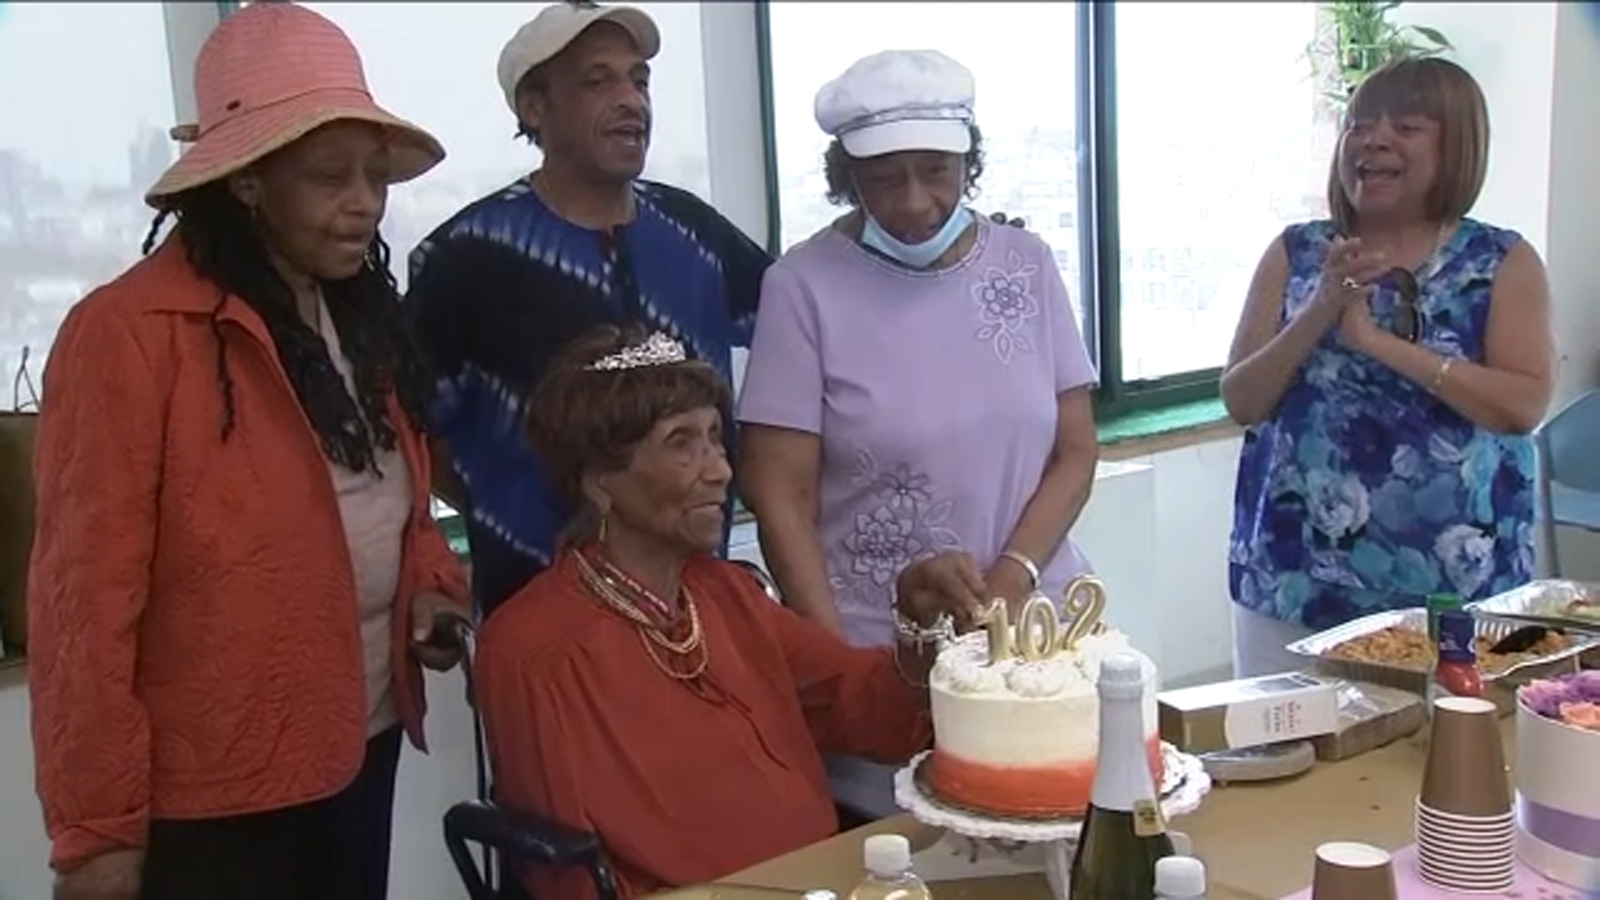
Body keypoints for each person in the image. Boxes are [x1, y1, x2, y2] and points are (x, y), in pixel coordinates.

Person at [27, 5, 470, 898]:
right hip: (216, 796)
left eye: (375, 177)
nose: (365, 204)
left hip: (362, 738)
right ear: (246, 183)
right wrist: (97, 834)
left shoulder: (358, 314)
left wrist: (430, 577)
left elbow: (396, 494)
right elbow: (83, 611)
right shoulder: (129, 335)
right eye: (328, 177)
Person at [476, 324, 987, 900]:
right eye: (682, 443)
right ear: (600, 481)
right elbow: (562, 875)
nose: (720, 469)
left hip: (825, 880)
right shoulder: (532, 649)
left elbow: (866, 709)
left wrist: (917, 624)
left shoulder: (726, 594)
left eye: (716, 438)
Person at [735, 50, 1101, 819]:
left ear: (970, 160)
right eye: (884, 178)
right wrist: (840, 668)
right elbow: (779, 492)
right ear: (846, 175)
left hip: (1036, 637)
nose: (913, 201)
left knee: (1053, 832)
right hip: (888, 650)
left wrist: (1012, 578)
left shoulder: (1027, 265)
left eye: (936, 170)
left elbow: (1074, 450)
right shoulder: (803, 288)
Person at [401, 1, 771, 620]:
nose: (631, 99)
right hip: (536, 604)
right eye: (598, 80)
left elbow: (800, 343)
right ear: (535, 108)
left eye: (639, 79)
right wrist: (509, 504)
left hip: (693, 598)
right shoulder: (468, 254)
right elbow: (414, 430)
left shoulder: (695, 233)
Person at [1221, 57, 1553, 677]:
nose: (1372, 140)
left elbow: (1522, 406)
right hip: (1291, 581)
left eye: (1406, 126)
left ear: (1456, 147)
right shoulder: (1296, 251)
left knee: (1444, 765)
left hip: (1455, 594)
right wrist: (1322, 305)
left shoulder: (1500, 260)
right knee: (1287, 761)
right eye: (1359, 125)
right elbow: (1241, 399)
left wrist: (1378, 343)